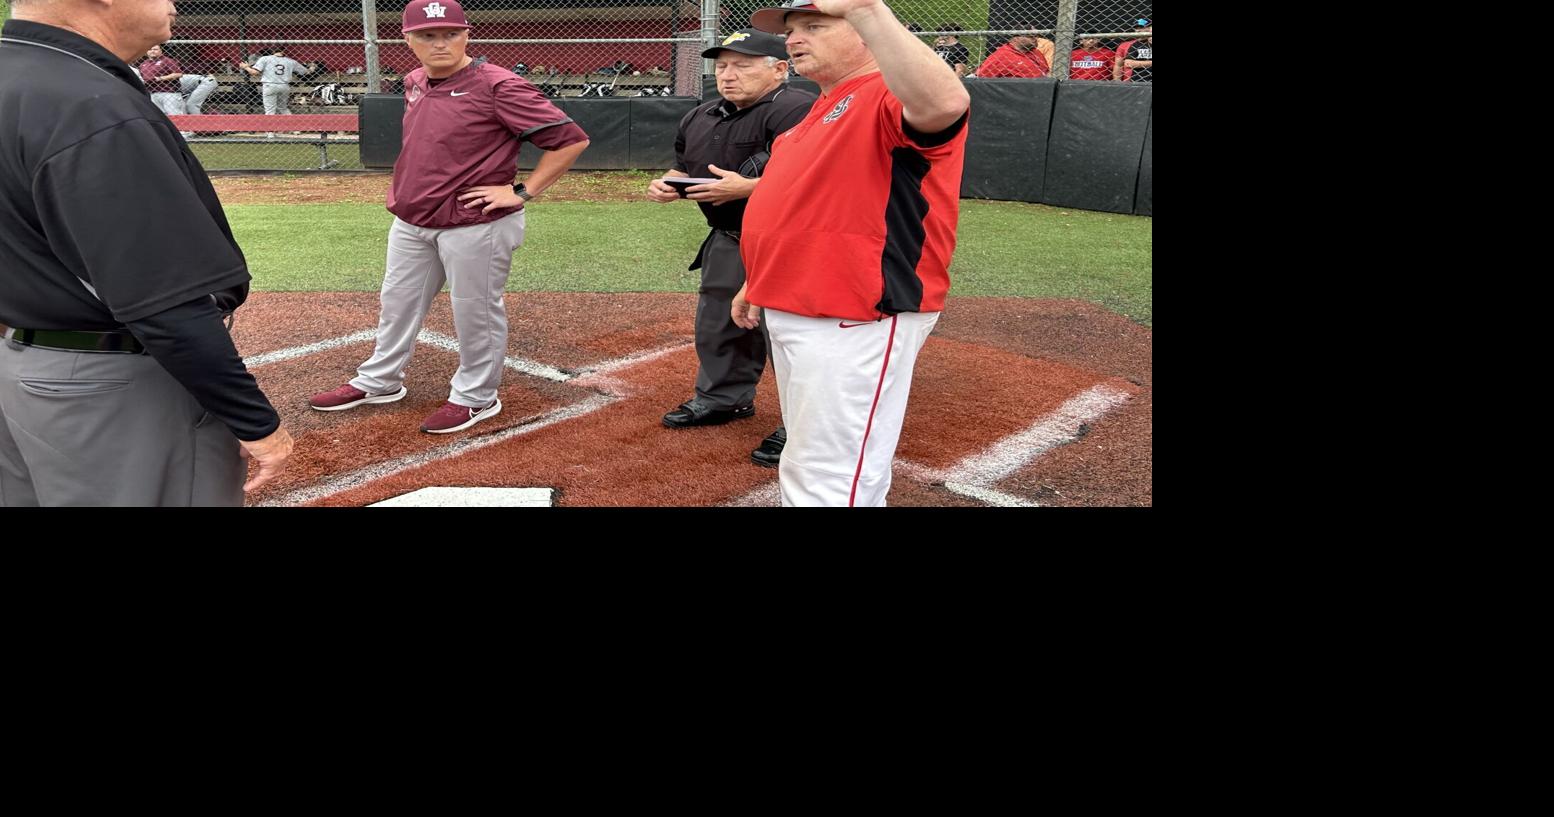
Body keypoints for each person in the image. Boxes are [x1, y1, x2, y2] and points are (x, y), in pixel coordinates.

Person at [0, 0, 294, 506]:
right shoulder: (89, 102)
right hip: (109, 387)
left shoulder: (15, 71)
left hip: (21, 371)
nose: (173, 3)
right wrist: (255, 421)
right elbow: (164, 299)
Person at [308, 0, 589, 434]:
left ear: (466, 35)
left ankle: (477, 396)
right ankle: (380, 380)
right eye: (427, 35)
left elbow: (570, 140)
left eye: (450, 33)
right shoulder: (414, 80)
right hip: (413, 218)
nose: (440, 43)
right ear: (408, 40)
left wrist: (521, 192)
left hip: (476, 221)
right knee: (397, 304)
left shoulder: (499, 85)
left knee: (474, 311)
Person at [737, 0, 969, 506]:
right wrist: (759, 280)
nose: (795, 39)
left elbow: (945, 104)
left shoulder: (886, 92)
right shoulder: (816, 109)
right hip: (799, 299)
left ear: (867, 33)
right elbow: (806, 210)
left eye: (815, 26)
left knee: (830, 472)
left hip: (859, 309)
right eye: (792, 30)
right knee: (814, 459)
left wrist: (867, 8)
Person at [645, 28, 814, 468]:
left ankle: (807, 424)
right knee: (720, 319)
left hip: (793, 242)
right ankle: (724, 398)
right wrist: (669, 183)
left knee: (790, 333)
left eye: (742, 64)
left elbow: (817, 179)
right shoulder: (702, 114)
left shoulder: (798, 110)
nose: (728, 74)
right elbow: (683, 164)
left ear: (779, 69)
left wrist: (749, 188)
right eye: (722, 66)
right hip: (730, 236)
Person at [238, 44, 316, 115]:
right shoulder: (290, 61)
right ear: (283, 51)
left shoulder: (265, 58)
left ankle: (270, 130)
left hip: (270, 85)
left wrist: (246, 67)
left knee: (270, 110)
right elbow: (307, 72)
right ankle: (293, 128)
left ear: (272, 52)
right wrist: (312, 67)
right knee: (283, 108)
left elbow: (254, 72)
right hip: (284, 87)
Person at [975, 30, 1049, 77]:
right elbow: (982, 76)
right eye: (1030, 36)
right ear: (1016, 38)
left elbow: (1046, 71)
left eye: (1036, 36)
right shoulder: (1001, 56)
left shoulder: (1036, 52)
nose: (1035, 39)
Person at [1113, 18, 1150, 82]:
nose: (1138, 31)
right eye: (1136, 28)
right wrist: (1117, 81)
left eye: (1141, 28)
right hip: (1131, 82)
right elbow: (1119, 65)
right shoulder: (1125, 45)